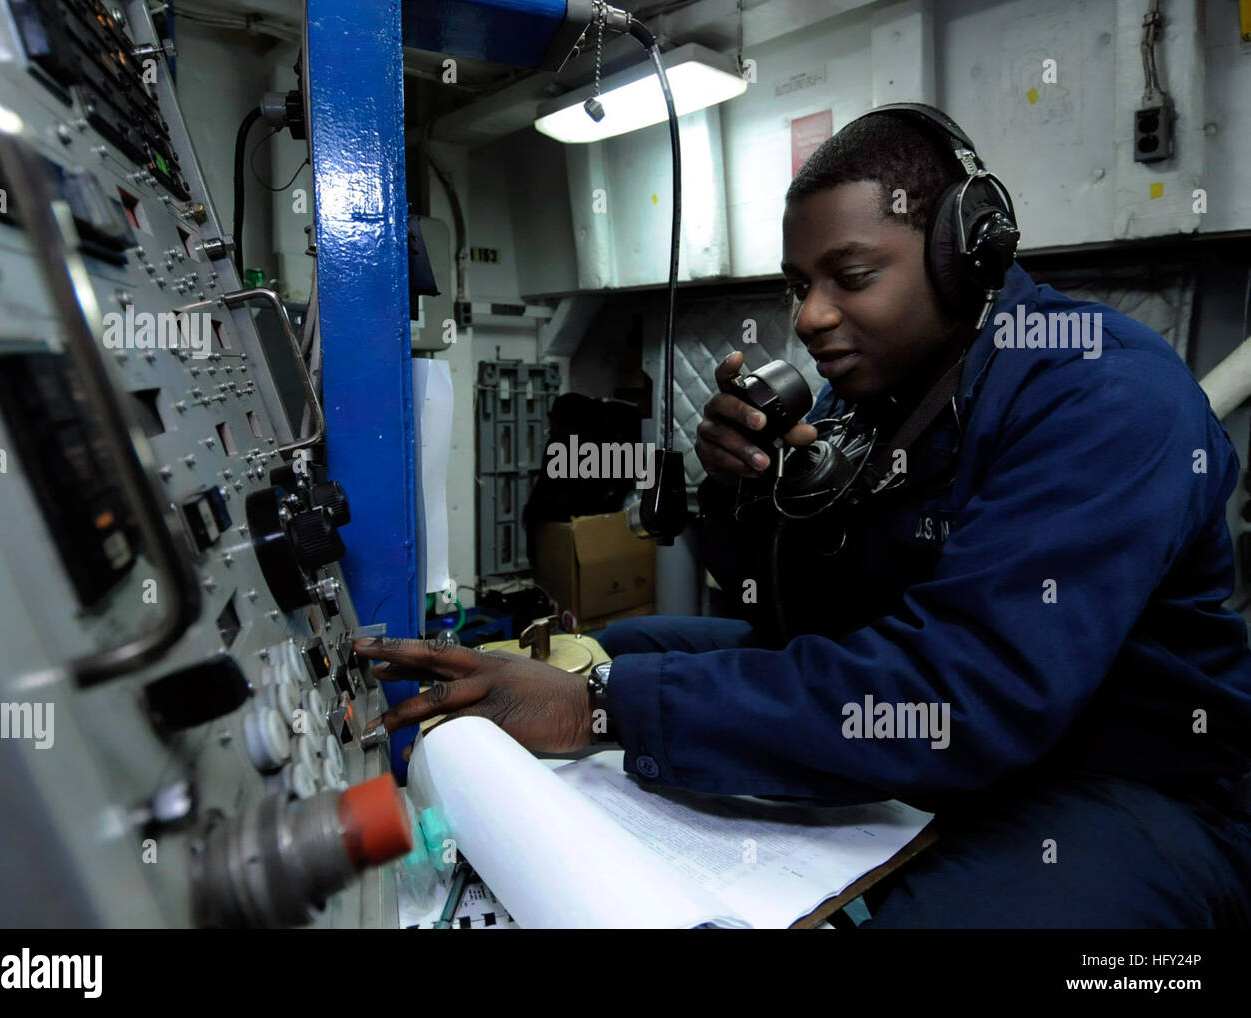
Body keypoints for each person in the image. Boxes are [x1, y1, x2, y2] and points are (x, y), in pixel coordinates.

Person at [355, 105, 1251, 928]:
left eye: (850, 277)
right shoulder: (873, 395)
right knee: (622, 652)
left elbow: (958, 696)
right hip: (947, 720)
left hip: (1124, 782)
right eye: (798, 284)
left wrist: (598, 711)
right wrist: (739, 487)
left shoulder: (1102, 392)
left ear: (963, 252)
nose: (811, 316)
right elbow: (783, 611)